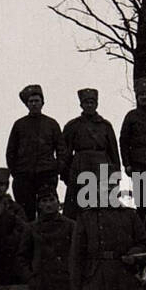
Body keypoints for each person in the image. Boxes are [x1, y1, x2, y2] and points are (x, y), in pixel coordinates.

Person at [6, 84, 69, 220]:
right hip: (24, 175)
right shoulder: (19, 125)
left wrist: (57, 168)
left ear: (42, 103)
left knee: (47, 211)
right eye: (31, 101)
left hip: (46, 174)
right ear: (27, 104)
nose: (34, 104)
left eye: (37, 101)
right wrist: (16, 171)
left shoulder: (51, 124)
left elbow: (61, 149)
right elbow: (11, 151)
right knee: (25, 212)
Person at [61, 88, 120, 217]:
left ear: (96, 104)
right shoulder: (73, 126)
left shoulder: (105, 126)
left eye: (92, 102)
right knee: (78, 206)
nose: (89, 105)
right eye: (86, 102)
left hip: (102, 166)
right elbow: (65, 152)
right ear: (81, 105)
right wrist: (66, 174)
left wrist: (116, 174)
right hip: (80, 166)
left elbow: (113, 152)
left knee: (104, 203)